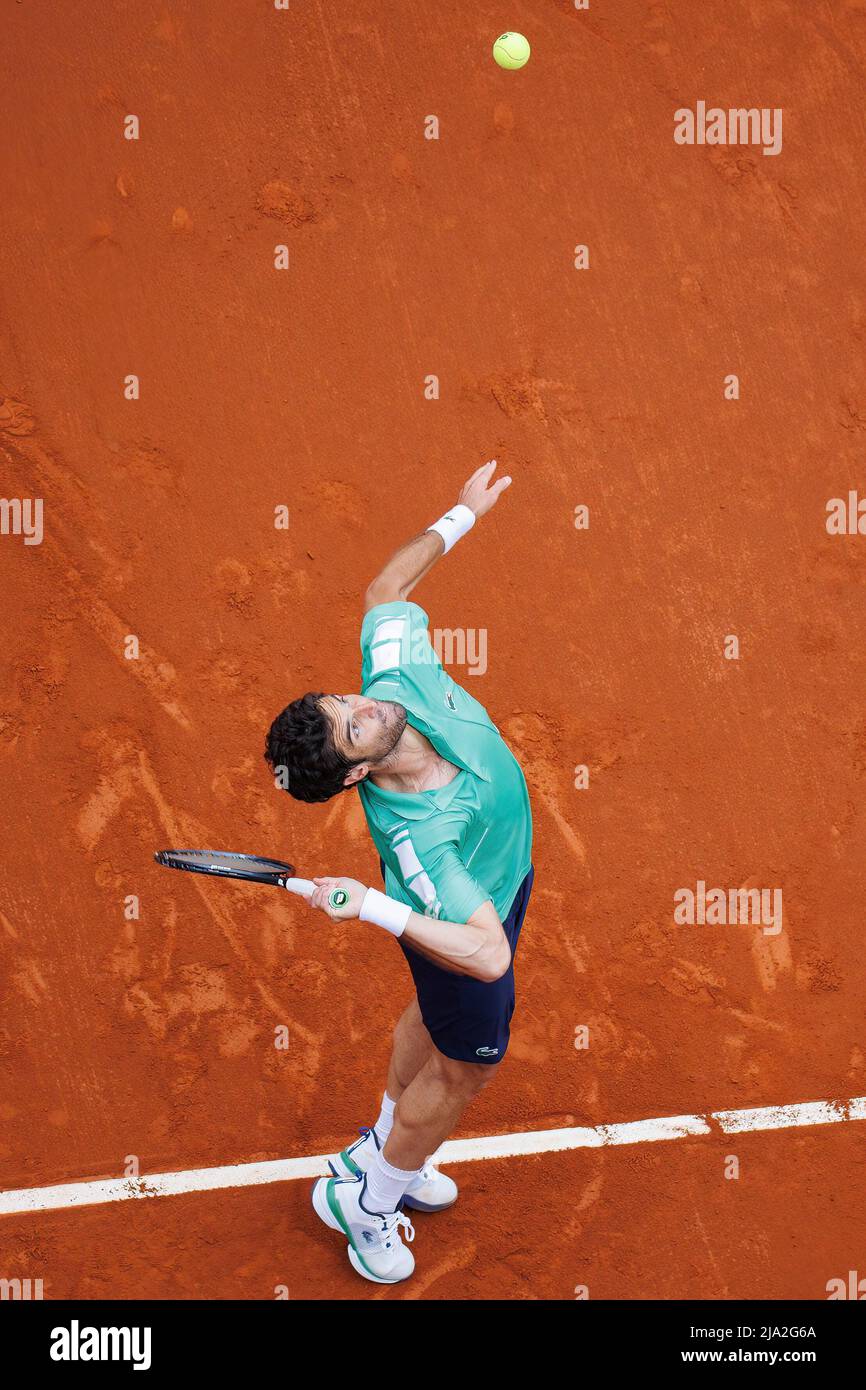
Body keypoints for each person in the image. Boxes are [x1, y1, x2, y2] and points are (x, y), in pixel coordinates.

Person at [264, 461, 534, 1284]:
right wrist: (382, 907)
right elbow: (486, 955)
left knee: (433, 1012)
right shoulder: (424, 837)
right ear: (354, 776)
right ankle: (371, 1203)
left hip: (497, 876)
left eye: (344, 704)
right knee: (466, 1065)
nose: (367, 708)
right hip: (462, 912)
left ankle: (382, 1152)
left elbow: (384, 589)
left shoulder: (392, 677)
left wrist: (461, 515)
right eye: (353, 729)